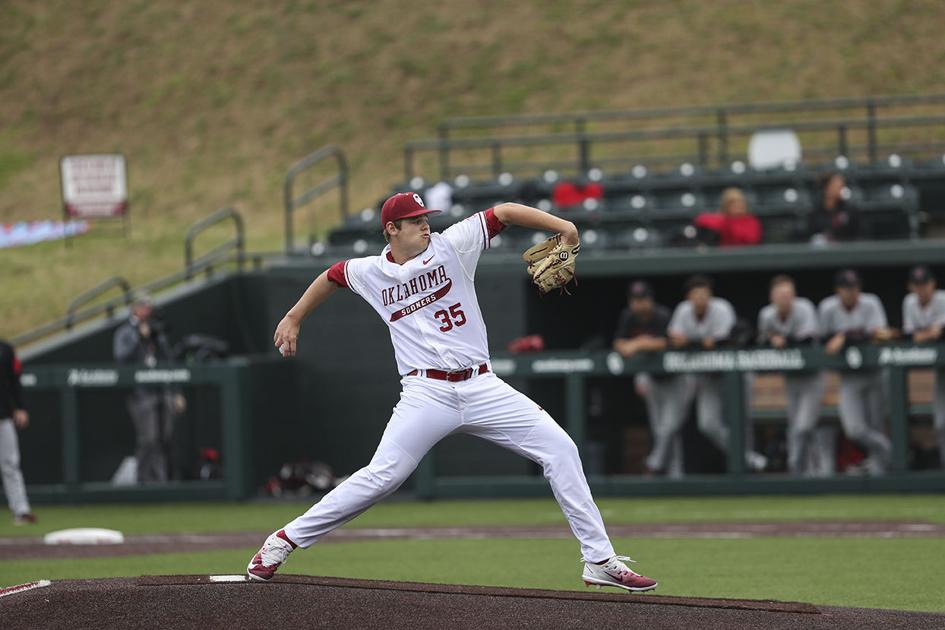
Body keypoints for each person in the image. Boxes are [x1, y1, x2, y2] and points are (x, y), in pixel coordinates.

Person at [247, 192, 657, 592]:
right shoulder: (371, 271)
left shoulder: (453, 245)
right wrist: (294, 316)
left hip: (482, 386)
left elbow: (506, 211)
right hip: (426, 393)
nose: (426, 224)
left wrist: (564, 226)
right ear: (391, 229)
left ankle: (600, 560)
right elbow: (333, 275)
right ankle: (283, 541)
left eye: (427, 218)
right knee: (381, 478)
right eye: (416, 220)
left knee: (561, 449)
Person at [663, 276, 767, 472]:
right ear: (689, 297)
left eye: (705, 294)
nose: (701, 298)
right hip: (708, 377)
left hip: (734, 376)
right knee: (707, 424)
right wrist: (699, 342)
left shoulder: (721, 308)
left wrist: (693, 342)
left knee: (742, 421)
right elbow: (675, 340)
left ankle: (748, 468)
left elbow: (721, 342)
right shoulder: (683, 311)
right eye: (696, 294)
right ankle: (749, 459)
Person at [819, 269, 894, 474]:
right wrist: (841, 339)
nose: (851, 292)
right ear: (838, 290)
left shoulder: (871, 303)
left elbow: (880, 334)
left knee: (876, 424)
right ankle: (891, 451)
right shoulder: (828, 308)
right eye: (846, 288)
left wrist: (844, 337)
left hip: (875, 373)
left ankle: (880, 473)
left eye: (854, 287)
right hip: (848, 377)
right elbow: (822, 341)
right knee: (854, 429)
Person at [612, 280, 684, 477]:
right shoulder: (628, 316)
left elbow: (668, 341)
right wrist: (637, 343)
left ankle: (654, 463)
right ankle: (676, 475)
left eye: (643, 299)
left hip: (677, 379)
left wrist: (638, 344)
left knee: (669, 426)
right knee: (661, 429)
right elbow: (619, 342)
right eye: (635, 300)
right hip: (653, 379)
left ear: (650, 300)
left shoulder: (662, 314)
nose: (639, 304)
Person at [113, 294, 184, 483]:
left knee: (166, 438)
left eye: (149, 306)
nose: (148, 310)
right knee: (149, 438)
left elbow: (169, 360)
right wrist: (138, 337)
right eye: (144, 306)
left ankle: (164, 480)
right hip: (140, 393)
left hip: (161, 390)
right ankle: (143, 480)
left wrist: (176, 391)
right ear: (135, 308)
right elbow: (121, 358)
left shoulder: (156, 330)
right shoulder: (126, 332)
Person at [756, 275, 824, 475]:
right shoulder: (767, 315)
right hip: (791, 377)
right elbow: (761, 340)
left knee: (804, 426)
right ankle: (800, 471)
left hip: (812, 376)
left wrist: (782, 339)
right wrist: (771, 338)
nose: (785, 298)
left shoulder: (804, 308)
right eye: (780, 294)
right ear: (772, 297)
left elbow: (808, 341)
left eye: (788, 294)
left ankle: (812, 469)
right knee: (796, 425)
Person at [901, 265, 945, 469]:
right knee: (941, 423)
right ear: (911, 287)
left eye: (925, 284)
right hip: (941, 371)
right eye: (917, 285)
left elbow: (937, 333)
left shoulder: (942, 299)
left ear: (933, 284)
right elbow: (912, 337)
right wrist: (929, 333)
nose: (922, 289)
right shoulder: (909, 302)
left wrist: (928, 334)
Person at [0, 338, 36, 525]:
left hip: (3, 416)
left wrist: (20, 407)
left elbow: (15, 380)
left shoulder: (5, 349)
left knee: (11, 464)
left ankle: (21, 510)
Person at [692, 187, 762, 247]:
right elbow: (701, 219)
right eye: (732, 203)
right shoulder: (723, 219)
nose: (737, 205)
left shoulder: (751, 221)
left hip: (747, 257)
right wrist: (726, 219)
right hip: (724, 258)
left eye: (739, 202)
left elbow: (750, 239)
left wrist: (730, 222)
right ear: (726, 205)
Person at [808, 172, 861, 243]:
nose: (841, 190)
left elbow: (857, 236)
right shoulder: (815, 212)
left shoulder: (850, 211)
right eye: (838, 186)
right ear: (826, 188)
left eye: (842, 186)